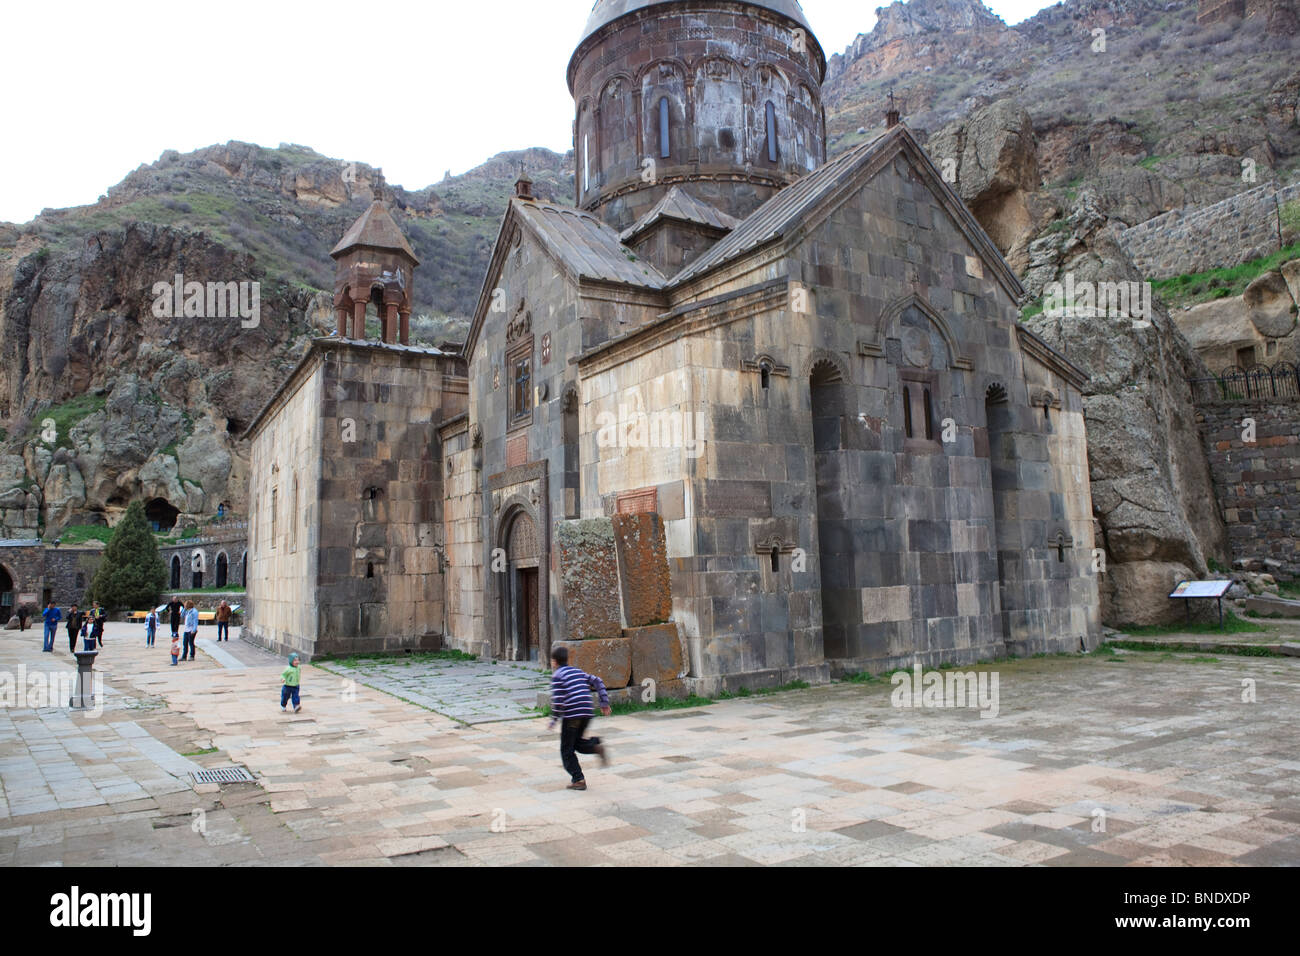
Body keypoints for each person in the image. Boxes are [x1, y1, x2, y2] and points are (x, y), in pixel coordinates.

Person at [546, 646, 611, 791]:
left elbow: (558, 701)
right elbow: (598, 681)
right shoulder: (578, 671)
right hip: (587, 712)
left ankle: (578, 779)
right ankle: (596, 746)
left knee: (566, 750)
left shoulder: (557, 676)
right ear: (567, 659)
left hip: (572, 715)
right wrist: (604, 702)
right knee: (577, 743)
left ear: (554, 662)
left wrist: (554, 719)